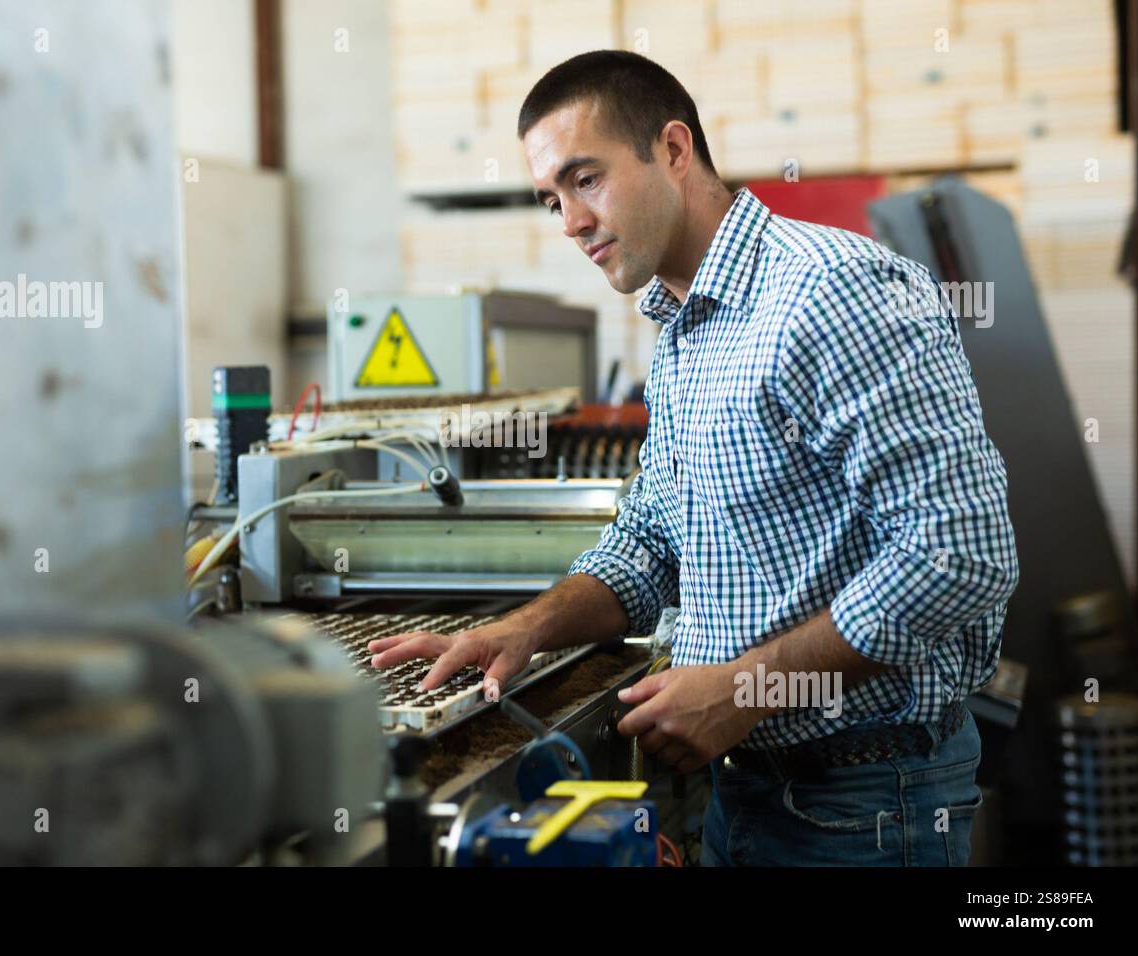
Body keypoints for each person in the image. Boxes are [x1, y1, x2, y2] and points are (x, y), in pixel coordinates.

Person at [369, 50, 1018, 866]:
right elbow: (650, 544)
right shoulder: (683, 327)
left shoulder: (833, 292)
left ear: (673, 151)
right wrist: (527, 630)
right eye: (550, 198)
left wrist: (748, 690)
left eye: (586, 179)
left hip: (868, 809)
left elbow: (960, 553)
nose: (569, 220)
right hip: (747, 791)